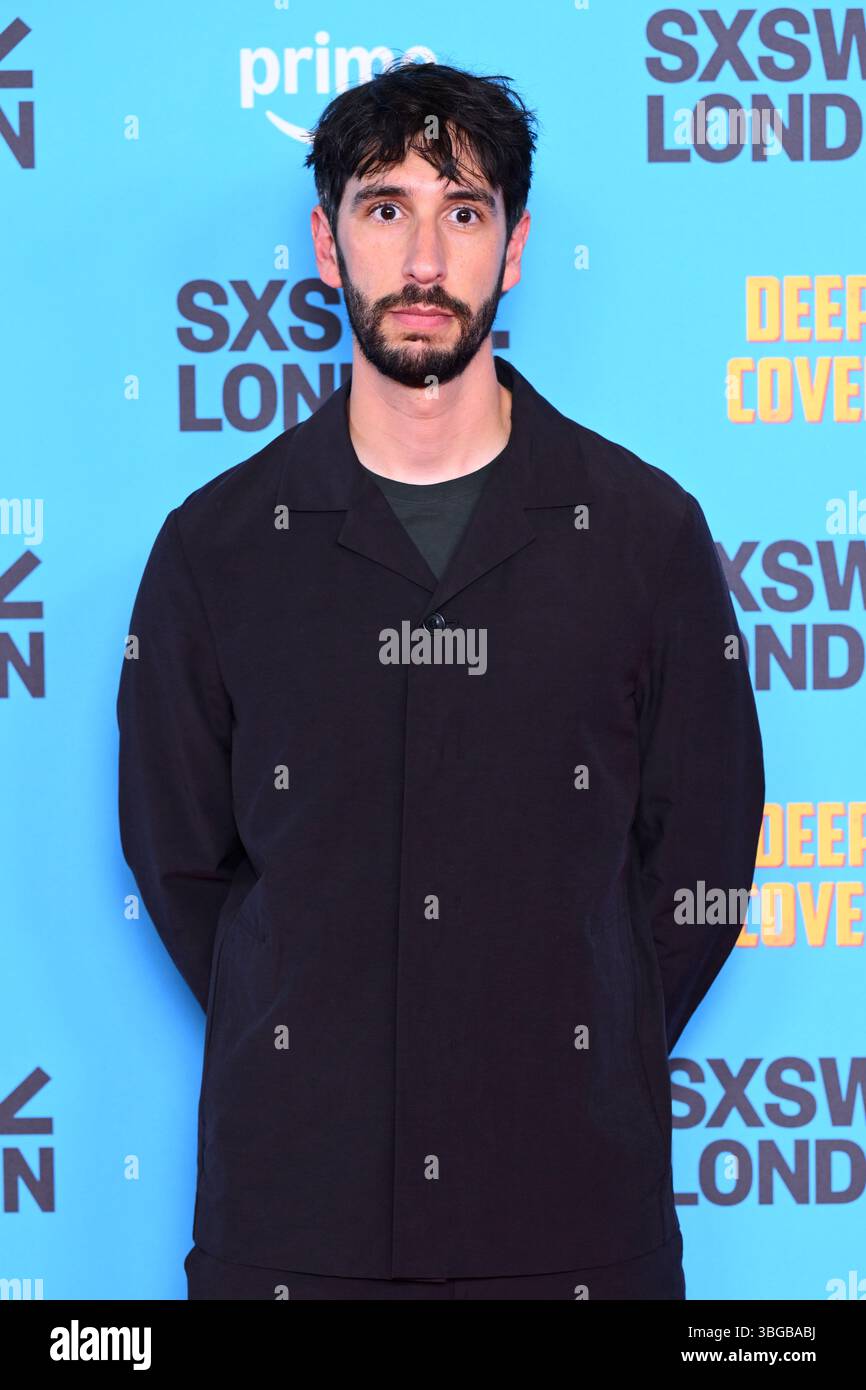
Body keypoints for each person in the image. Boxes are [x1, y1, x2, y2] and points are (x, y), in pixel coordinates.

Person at [116, 60, 765, 1301]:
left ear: (513, 249)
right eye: (383, 207)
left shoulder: (641, 534)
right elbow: (180, 863)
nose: (422, 257)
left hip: (573, 1209)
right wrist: (328, 1033)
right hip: (293, 1219)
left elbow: (702, 853)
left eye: (461, 211)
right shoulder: (216, 547)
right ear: (326, 242)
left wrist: (580, 1029)